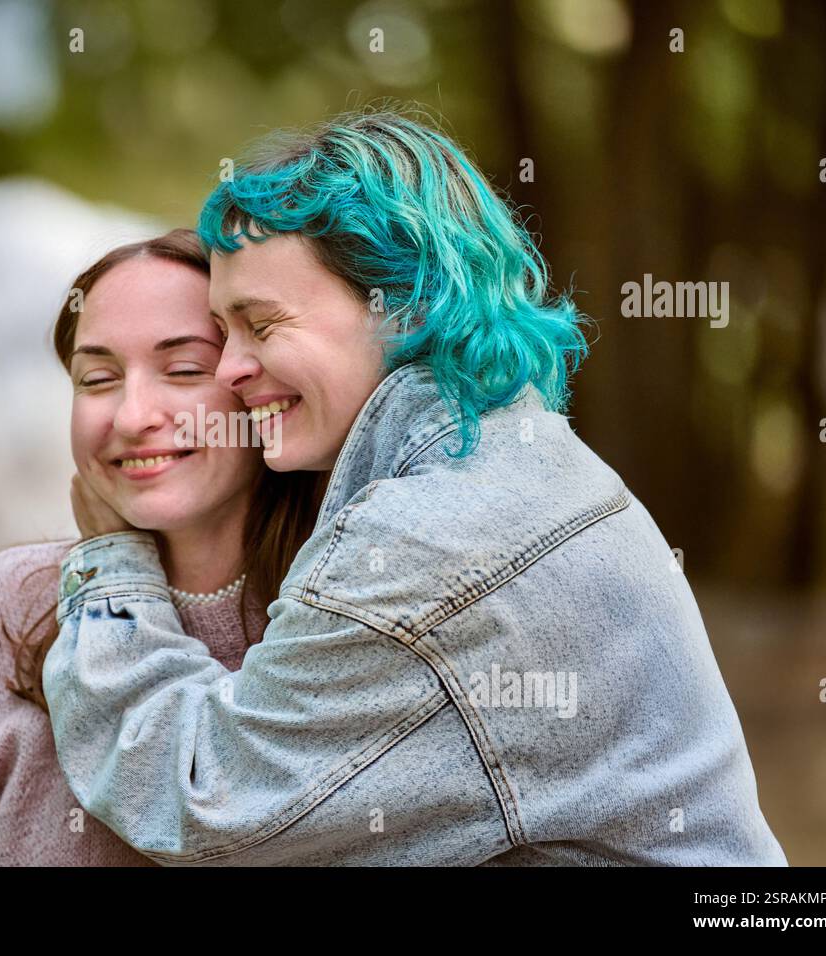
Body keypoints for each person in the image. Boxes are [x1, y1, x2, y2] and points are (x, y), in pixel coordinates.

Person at [41, 110, 788, 866]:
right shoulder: (514, 463)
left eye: (260, 326)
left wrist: (113, 567)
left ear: (404, 307)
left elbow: (203, 803)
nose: (232, 369)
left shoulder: (430, 542)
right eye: (222, 334)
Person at [0, 229, 321, 865]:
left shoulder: (338, 607)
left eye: (184, 369)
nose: (132, 417)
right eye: (98, 378)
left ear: (259, 385)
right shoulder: (16, 594)